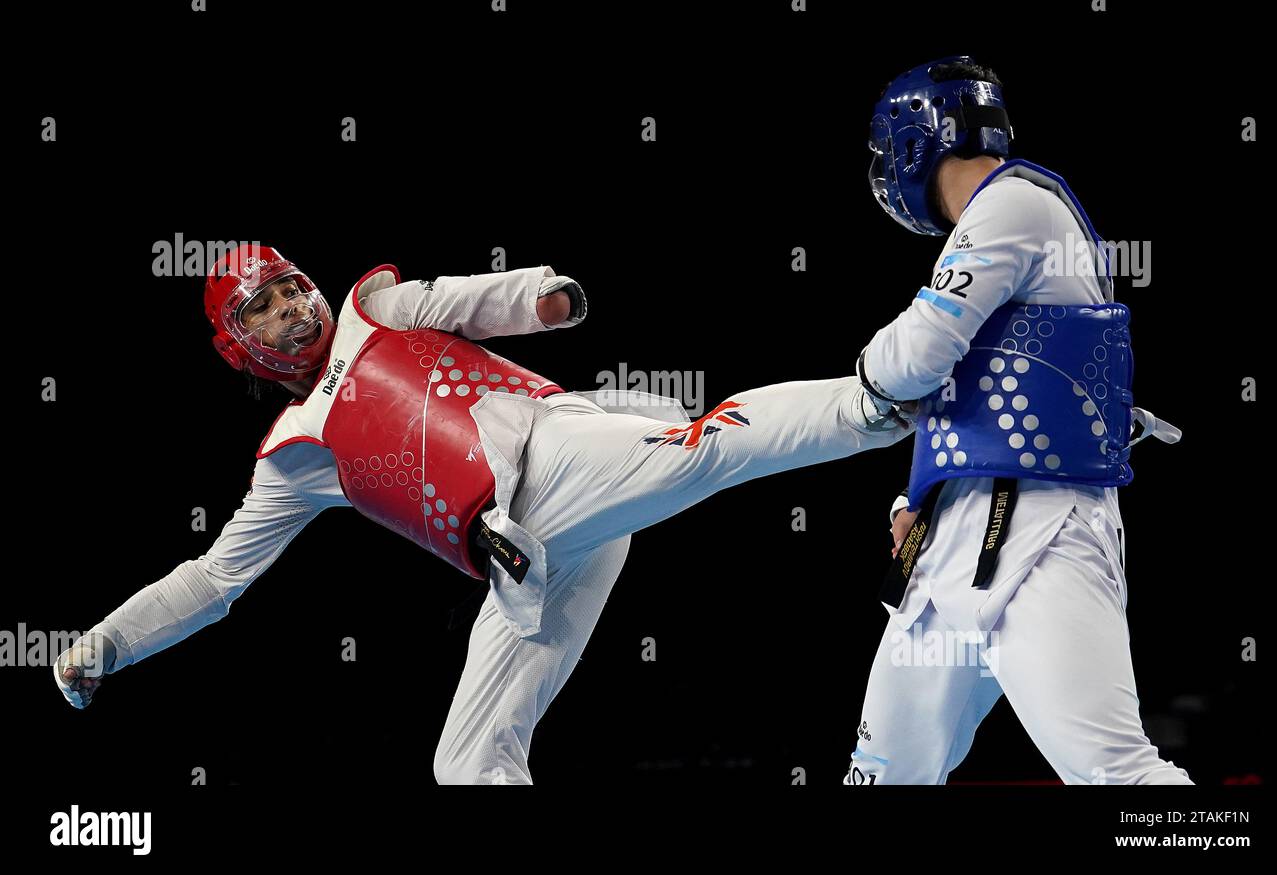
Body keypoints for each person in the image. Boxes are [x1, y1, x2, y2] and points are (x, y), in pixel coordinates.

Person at [54, 244, 915, 784]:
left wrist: (538, 296)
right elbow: (213, 579)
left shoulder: (370, 311)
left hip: (556, 452)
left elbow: (458, 298)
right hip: (530, 561)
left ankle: (875, 402)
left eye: (291, 287)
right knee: (466, 762)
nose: (291, 308)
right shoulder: (293, 456)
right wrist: (110, 641)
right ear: (240, 344)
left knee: (703, 447)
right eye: (265, 308)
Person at [844, 56, 1189, 785]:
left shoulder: (1017, 204)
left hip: (1042, 536)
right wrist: (920, 499)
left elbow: (914, 358)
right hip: (952, 545)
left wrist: (864, 379)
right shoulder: (1001, 220)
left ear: (914, 144)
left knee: (1115, 775)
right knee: (883, 772)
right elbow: (973, 388)